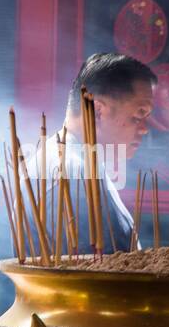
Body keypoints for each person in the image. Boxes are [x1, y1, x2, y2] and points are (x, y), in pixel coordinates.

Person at [44, 53, 155, 253]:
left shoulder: (86, 164)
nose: (145, 128)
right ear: (97, 111)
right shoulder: (72, 174)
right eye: (138, 116)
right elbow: (104, 278)